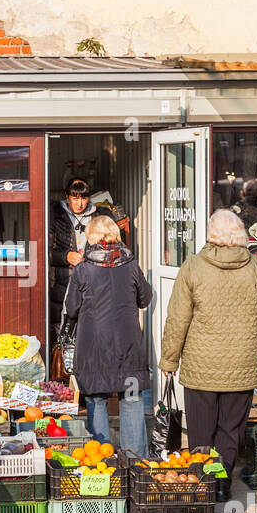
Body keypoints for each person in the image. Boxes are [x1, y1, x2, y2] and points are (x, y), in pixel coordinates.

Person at [160, 208, 257, 502]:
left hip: (201, 367)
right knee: (230, 431)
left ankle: (202, 484)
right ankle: (222, 484)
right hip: (241, 366)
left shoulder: (193, 266)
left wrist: (169, 360)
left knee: (202, 432)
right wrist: (253, 335)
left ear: (211, 234)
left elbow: (178, 318)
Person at [64, 215, 153, 456]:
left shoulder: (83, 270)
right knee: (132, 400)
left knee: (96, 400)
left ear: (91, 237)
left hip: (94, 351)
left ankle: (101, 461)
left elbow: (71, 308)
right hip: (129, 350)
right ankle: (135, 466)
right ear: (115, 235)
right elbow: (145, 299)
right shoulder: (132, 265)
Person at [49, 179, 99, 343]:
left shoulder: (97, 217)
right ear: (67, 197)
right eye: (75, 197)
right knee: (62, 332)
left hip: (89, 283)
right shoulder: (55, 216)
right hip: (61, 283)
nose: (79, 203)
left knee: (87, 332)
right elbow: (43, 253)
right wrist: (65, 256)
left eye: (84, 198)